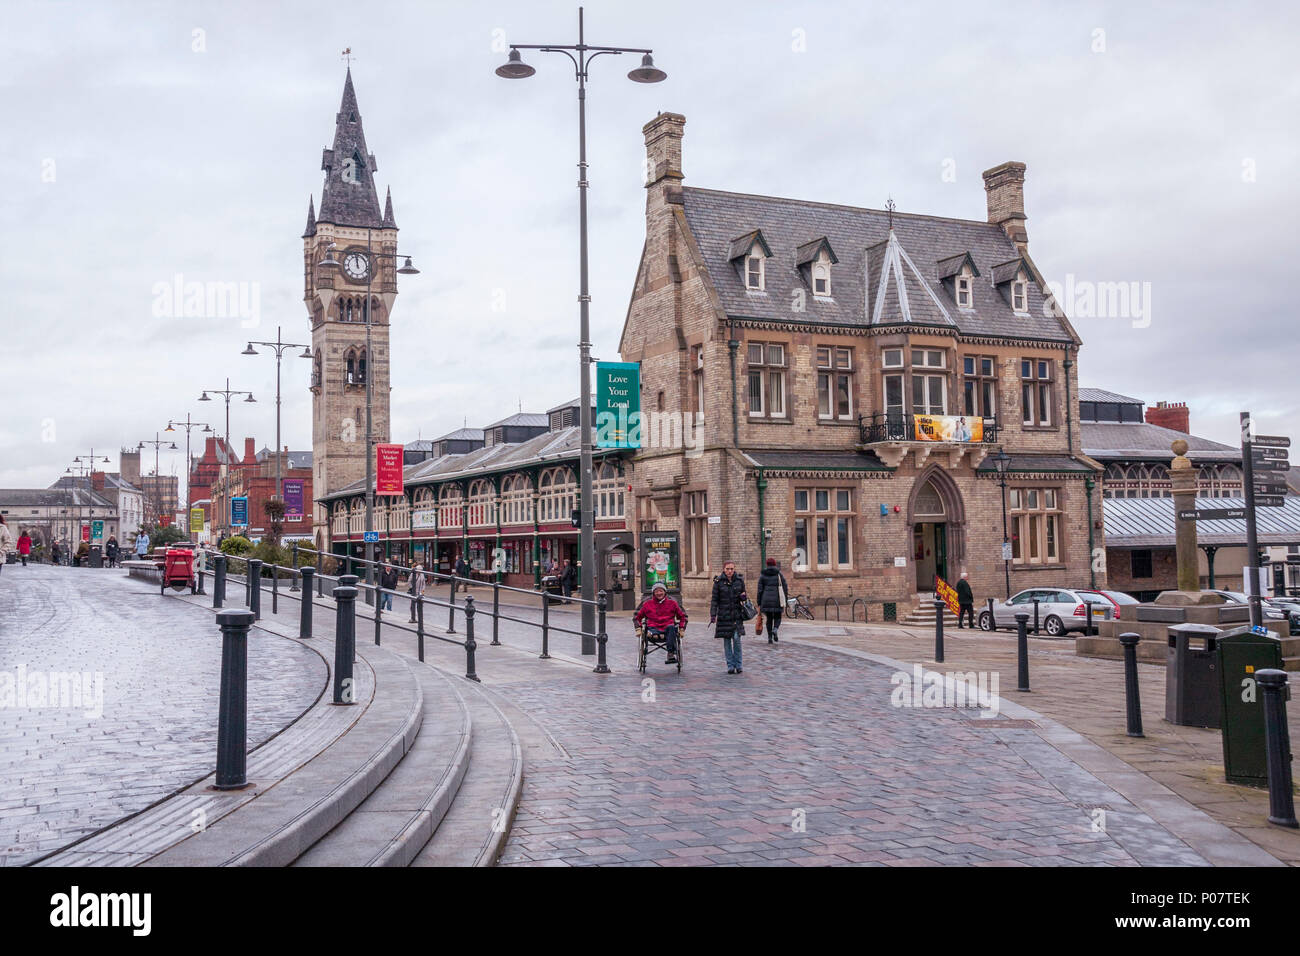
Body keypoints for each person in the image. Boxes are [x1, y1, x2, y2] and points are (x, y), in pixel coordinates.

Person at [710, 560, 749, 675]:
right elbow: (714, 600)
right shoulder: (718, 582)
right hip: (724, 615)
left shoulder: (739, 580)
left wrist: (743, 597)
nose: (730, 571)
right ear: (724, 569)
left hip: (737, 615)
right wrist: (713, 614)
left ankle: (739, 665)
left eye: (732, 569)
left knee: (737, 639)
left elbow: (744, 596)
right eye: (727, 569)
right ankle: (730, 665)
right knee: (727, 640)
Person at [634, 582, 688, 665]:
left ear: (665, 592)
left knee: (671, 628)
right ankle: (654, 634)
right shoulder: (647, 603)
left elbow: (683, 616)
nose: (659, 593)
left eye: (661, 591)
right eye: (656, 591)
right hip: (653, 628)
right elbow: (637, 617)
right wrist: (638, 628)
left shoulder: (673, 603)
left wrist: (682, 628)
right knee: (650, 630)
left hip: (668, 629)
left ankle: (670, 653)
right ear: (653, 593)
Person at [756, 557, 789, 644]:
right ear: (774, 564)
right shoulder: (779, 574)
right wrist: (785, 598)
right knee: (778, 617)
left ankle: (770, 638)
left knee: (769, 619)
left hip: (766, 600)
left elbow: (759, 590)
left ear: (767, 564)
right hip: (777, 600)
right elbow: (785, 587)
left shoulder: (763, 575)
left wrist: (759, 602)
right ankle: (775, 629)